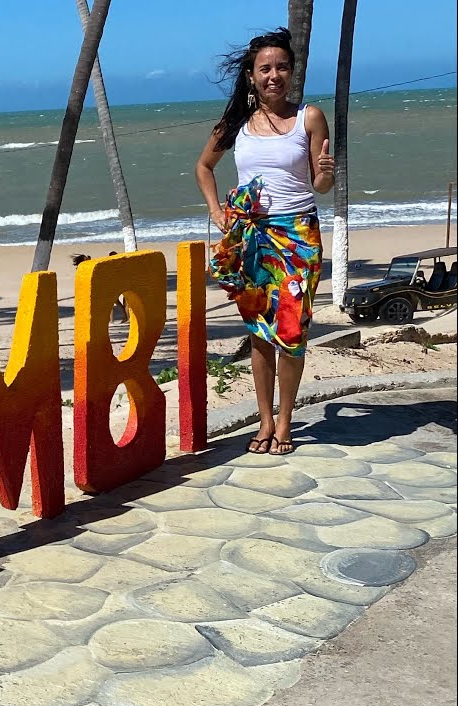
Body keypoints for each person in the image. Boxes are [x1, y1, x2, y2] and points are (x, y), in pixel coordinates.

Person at [194, 27, 334, 456]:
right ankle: (265, 420)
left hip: (298, 236)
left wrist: (327, 172)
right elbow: (203, 167)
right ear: (252, 75)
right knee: (259, 334)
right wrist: (217, 212)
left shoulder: (308, 117)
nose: (274, 75)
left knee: (291, 332)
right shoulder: (236, 124)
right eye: (265, 68)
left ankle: (286, 422)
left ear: (291, 72)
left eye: (282, 67)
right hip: (251, 237)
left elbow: (321, 185)